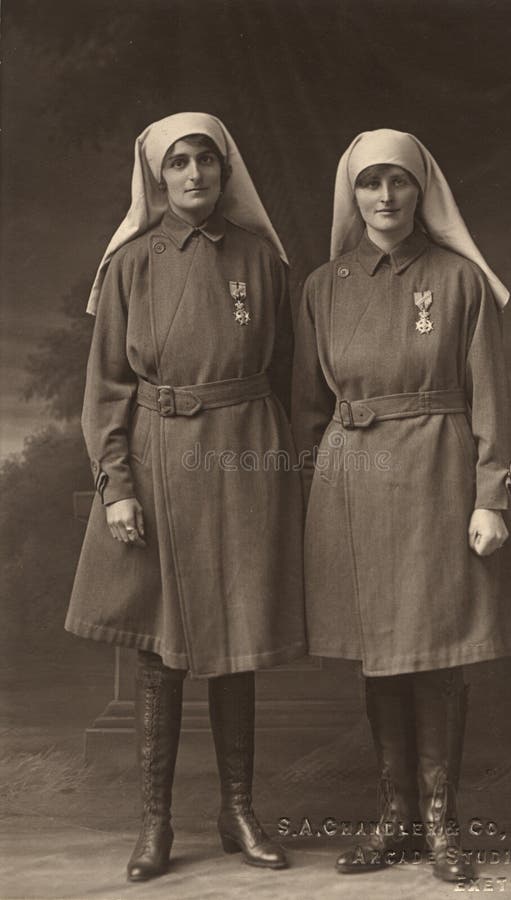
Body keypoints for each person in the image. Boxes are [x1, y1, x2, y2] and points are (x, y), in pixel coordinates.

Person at [291, 129, 511, 882]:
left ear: (420, 189)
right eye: (370, 184)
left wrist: (489, 496)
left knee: (435, 656)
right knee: (380, 657)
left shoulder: (460, 280)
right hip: (353, 483)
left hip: (437, 475)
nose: (385, 198)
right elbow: (306, 408)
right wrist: (318, 492)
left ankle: (440, 823)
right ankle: (393, 817)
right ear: (353, 195)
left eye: (398, 182)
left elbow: (491, 397)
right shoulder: (322, 286)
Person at [66, 112, 306, 881]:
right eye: (179, 164)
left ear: (224, 171)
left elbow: (288, 375)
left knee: (237, 644)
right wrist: (116, 485)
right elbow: (105, 390)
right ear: (157, 178)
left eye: (207, 160)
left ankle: (238, 808)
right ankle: (156, 821)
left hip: (244, 459)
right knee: (159, 653)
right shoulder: (132, 264)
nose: (195, 175)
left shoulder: (262, 262)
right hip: (160, 456)